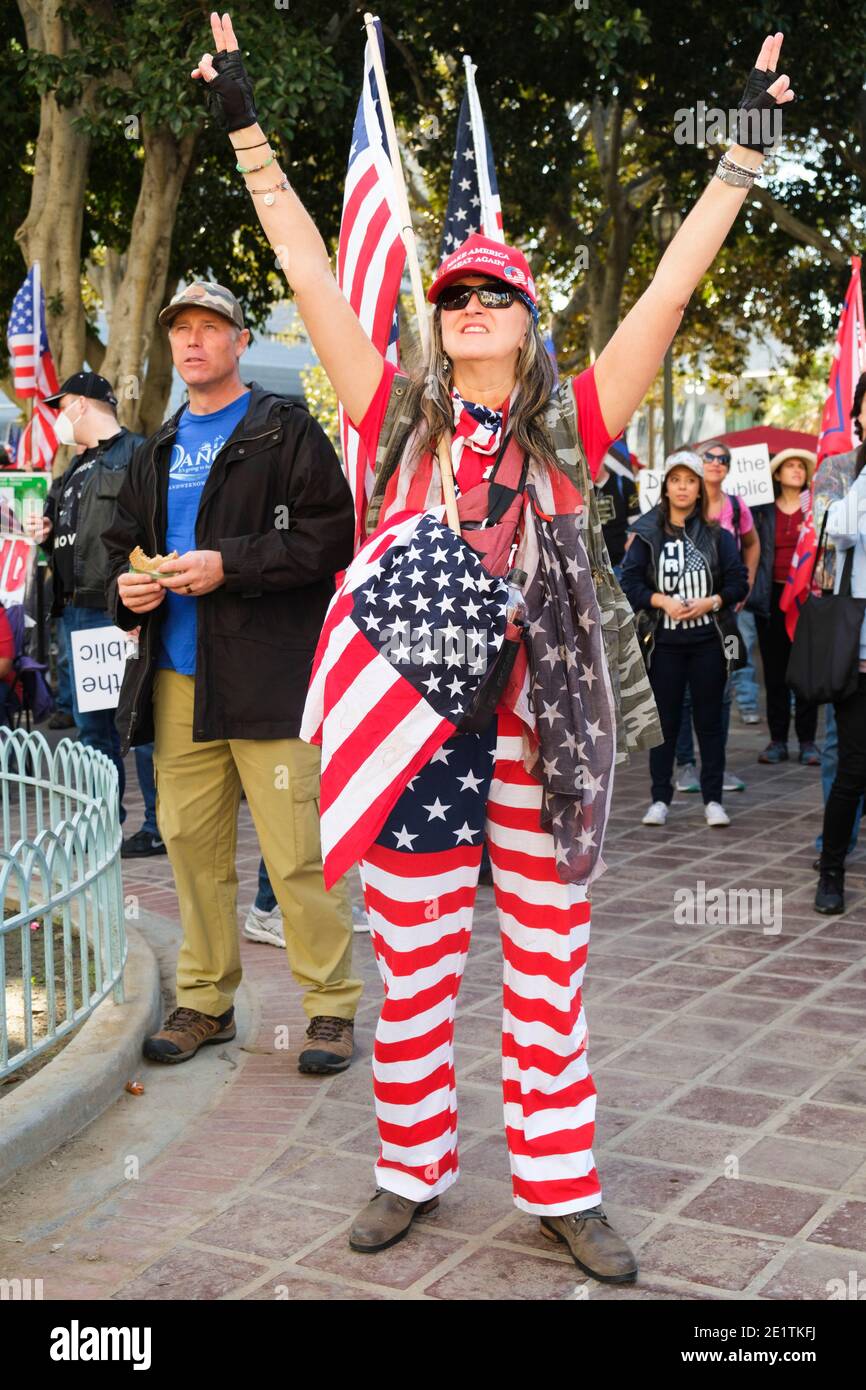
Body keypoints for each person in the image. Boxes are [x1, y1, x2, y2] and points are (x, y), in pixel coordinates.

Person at [192, 14, 793, 1279]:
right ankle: (409, 1169)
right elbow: (307, 273)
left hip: (541, 731)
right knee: (410, 966)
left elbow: (670, 292)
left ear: (524, 316)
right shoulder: (387, 419)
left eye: (491, 296)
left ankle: (560, 1185)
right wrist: (245, 130)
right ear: (436, 317)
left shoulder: (577, 421)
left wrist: (737, 154)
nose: (468, 308)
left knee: (547, 960)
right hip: (414, 736)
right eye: (452, 296)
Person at [103, 280, 362, 1073]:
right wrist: (128, 589)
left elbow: (331, 542)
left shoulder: (285, 433)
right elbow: (118, 548)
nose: (192, 342)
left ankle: (329, 1010)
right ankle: (206, 1002)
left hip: (271, 680)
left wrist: (232, 566)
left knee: (296, 854)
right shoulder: (155, 446)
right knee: (191, 849)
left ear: (240, 341)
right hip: (177, 680)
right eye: (180, 329)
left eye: (209, 328)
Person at [26, 372, 145, 816]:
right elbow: (65, 533)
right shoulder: (73, 468)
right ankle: (104, 819)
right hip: (74, 611)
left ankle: (156, 824)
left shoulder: (137, 453)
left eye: (63, 405)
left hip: (113, 608)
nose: (58, 416)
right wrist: (46, 532)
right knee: (91, 725)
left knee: (134, 722)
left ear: (83, 404)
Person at [621, 452, 749, 828]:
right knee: (665, 723)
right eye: (675, 480)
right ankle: (660, 798)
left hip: (709, 641)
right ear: (666, 487)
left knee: (710, 722)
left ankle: (713, 800)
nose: (682, 487)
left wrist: (712, 601)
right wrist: (661, 601)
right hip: (664, 644)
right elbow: (629, 583)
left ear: (699, 489)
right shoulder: (647, 535)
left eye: (690, 481)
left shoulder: (718, 536)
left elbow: (737, 580)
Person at [673, 439, 760, 795]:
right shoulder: (679, 504)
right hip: (683, 618)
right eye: (709, 457)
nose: (716, 463)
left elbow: (752, 543)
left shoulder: (737, 507)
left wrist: (747, 581)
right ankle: (685, 766)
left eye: (723, 459)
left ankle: (716, 767)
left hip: (725, 619)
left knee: (722, 691)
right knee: (684, 693)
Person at [810, 377, 866, 867]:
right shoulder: (839, 470)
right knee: (847, 758)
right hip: (854, 642)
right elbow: (836, 534)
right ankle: (833, 857)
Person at [752, 448, 820, 765]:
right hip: (771, 600)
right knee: (775, 674)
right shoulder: (762, 512)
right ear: (777, 476)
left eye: (800, 467)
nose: (796, 470)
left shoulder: (815, 510)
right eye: (789, 466)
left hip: (806, 601)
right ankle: (777, 740)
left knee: (806, 671)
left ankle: (807, 741)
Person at [594, 440, 639, 581]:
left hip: (620, 564)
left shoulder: (624, 484)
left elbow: (637, 521)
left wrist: (631, 543)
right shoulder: (581, 489)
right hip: (592, 568)